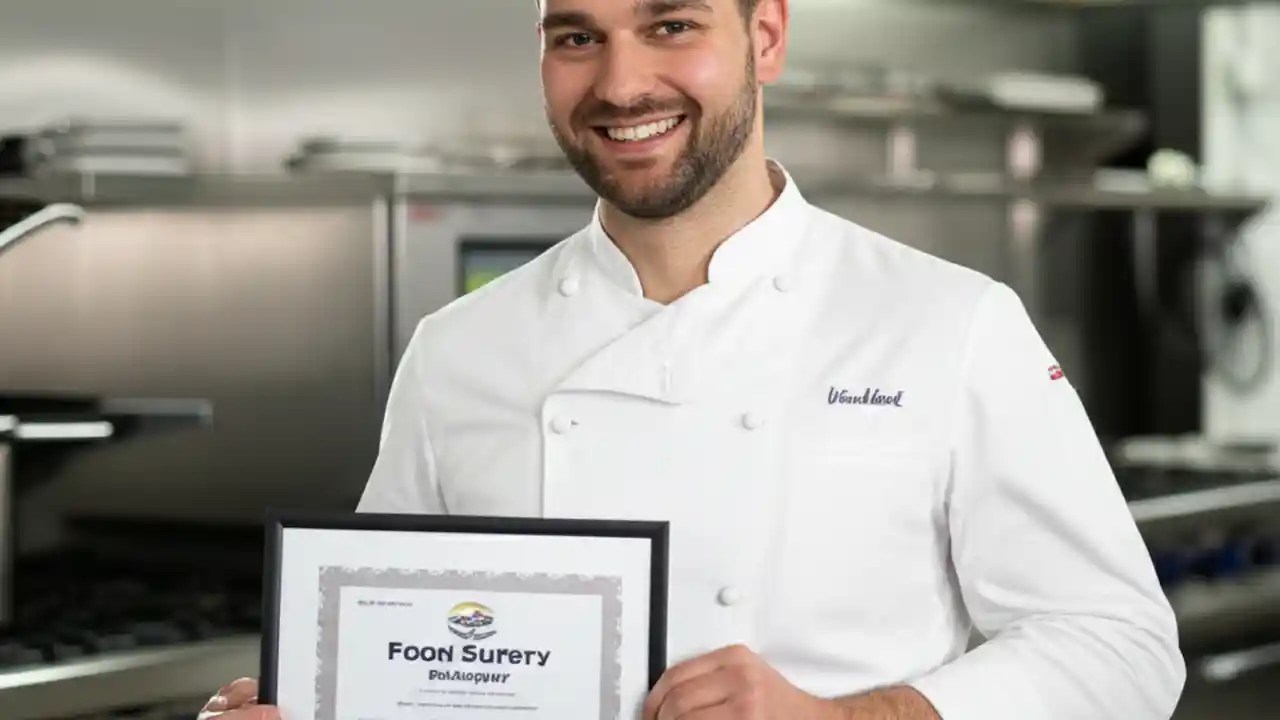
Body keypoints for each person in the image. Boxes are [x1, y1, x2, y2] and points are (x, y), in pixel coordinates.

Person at [200, 0, 1186, 718]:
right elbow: (383, 664)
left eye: (669, 24)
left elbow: (1120, 650)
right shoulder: (459, 349)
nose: (620, 84)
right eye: (575, 37)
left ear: (764, 38)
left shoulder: (946, 321)